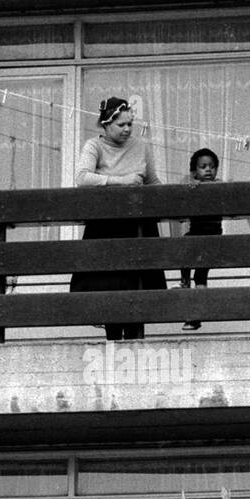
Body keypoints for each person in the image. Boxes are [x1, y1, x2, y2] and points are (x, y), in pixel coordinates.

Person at [70, 97, 167, 341]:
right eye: (121, 124)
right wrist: (119, 181)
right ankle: (113, 341)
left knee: (139, 288)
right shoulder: (94, 146)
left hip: (138, 226)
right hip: (106, 227)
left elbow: (152, 182)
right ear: (106, 123)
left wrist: (176, 200)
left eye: (129, 124)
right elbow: (82, 177)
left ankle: (135, 341)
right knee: (109, 290)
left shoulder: (141, 147)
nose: (126, 129)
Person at [179, 148, 221, 333]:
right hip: (195, 234)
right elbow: (182, 189)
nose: (208, 170)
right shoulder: (192, 186)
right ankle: (184, 282)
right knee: (183, 246)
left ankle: (196, 314)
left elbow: (227, 191)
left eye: (212, 167)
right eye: (203, 167)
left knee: (201, 275)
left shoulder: (219, 186)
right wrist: (191, 184)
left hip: (212, 238)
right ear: (194, 171)